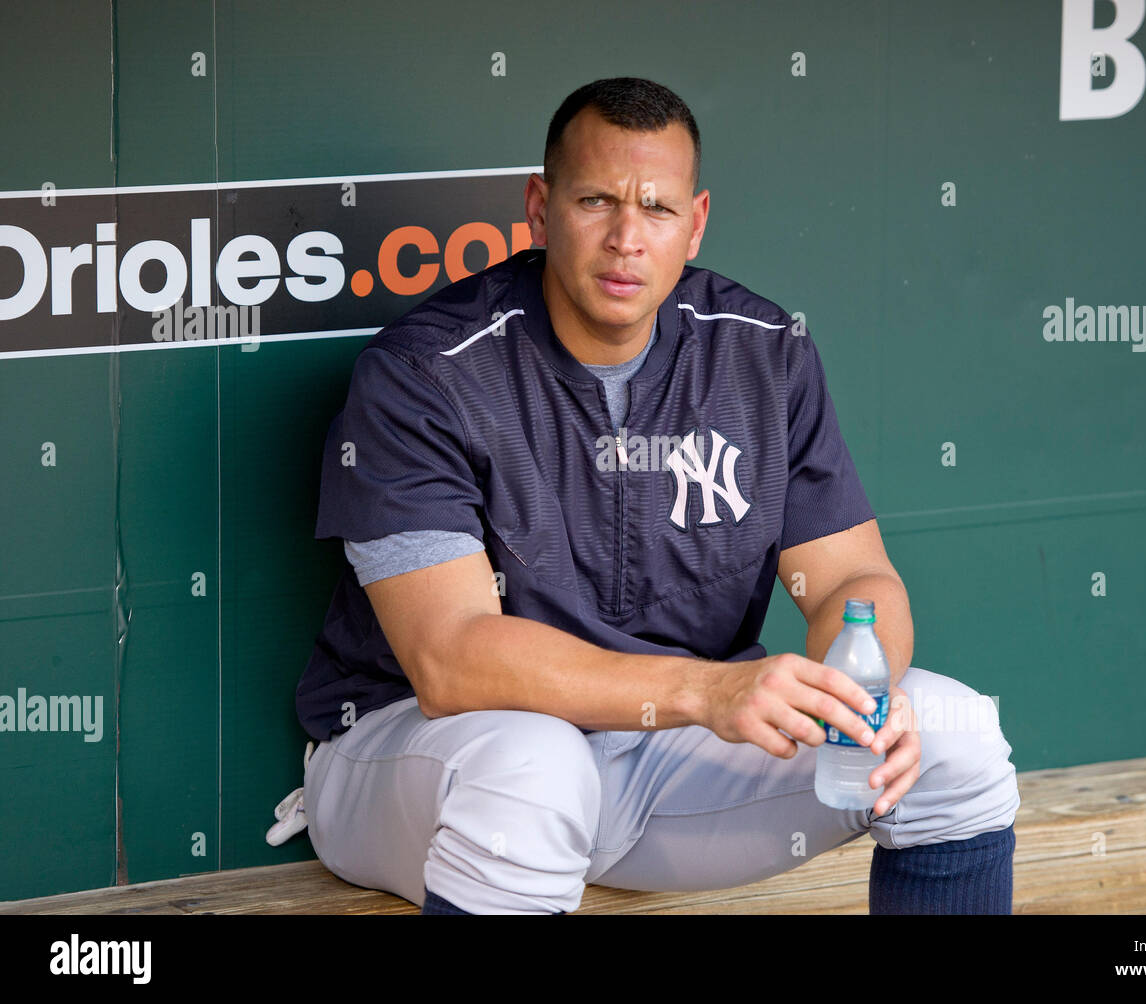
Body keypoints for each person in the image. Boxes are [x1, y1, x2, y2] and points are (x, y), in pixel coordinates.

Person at [289, 77, 1020, 915]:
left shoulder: (762, 354)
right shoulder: (425, 373)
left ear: (696, 221)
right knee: (534, 773)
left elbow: (856, 583)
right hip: (428, 755)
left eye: (658, 209)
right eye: (596, 200)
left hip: (667, 756)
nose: (626, 238)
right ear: (539, 206)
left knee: (953, 736)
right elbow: (449, 660)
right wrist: (707, 693)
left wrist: (867, 693)